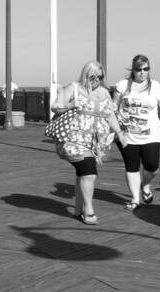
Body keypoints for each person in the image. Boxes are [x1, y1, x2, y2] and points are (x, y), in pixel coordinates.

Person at [50, 61, 126, 224]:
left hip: (93, 143)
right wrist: (70, 105)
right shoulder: (74, 88)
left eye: (100, 76)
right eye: (93, 76)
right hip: (72, 141)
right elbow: (55, 106)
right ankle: (88, 211)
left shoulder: (105, 92)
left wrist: (120, 133)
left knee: (83, 173)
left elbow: (109, 114)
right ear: (85, 74)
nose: (96, 79)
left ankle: (78, 211)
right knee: (89, 172)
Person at [112, 53, 160, 209]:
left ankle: (145, 185)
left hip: (150, 134)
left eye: (146, 69)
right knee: (132, 166)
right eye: (139, 69)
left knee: (152, 166)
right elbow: (113, 106)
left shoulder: (155, 86)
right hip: (127, 134)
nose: (142, 72)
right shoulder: (122, 85)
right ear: (133, 70)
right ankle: (135, 199)